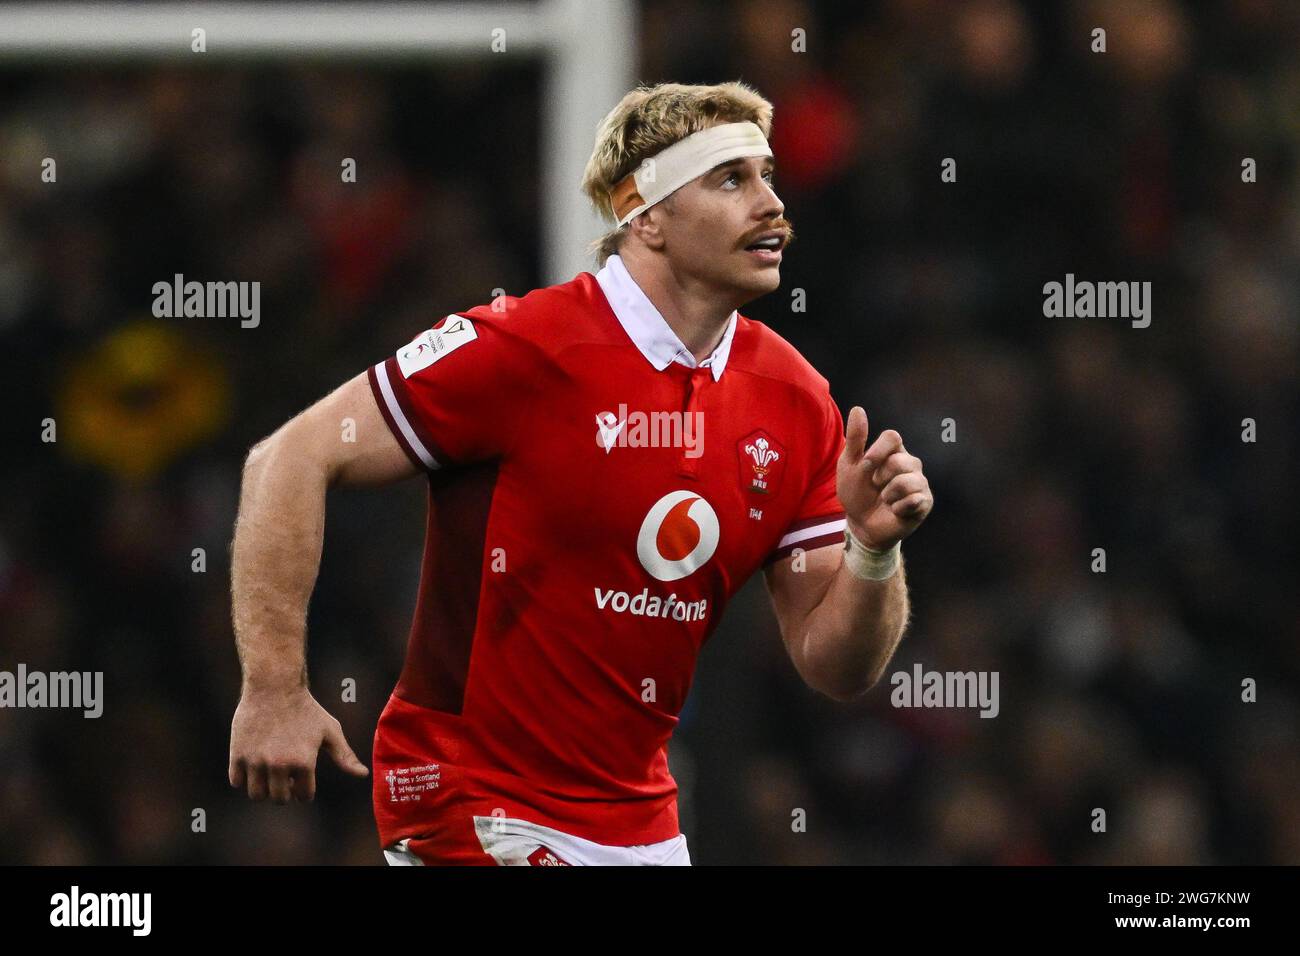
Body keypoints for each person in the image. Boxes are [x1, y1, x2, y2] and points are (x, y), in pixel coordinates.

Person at [228, 80, 933, 866]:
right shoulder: (525, 347)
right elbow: (288, 456)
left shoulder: (797, 401)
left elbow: (835, 666)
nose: (770, 203)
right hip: (474, 803)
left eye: (767, 176)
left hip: (639, 828)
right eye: (731, 179)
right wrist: (273, 688)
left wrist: (874, 551)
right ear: (648, 216)